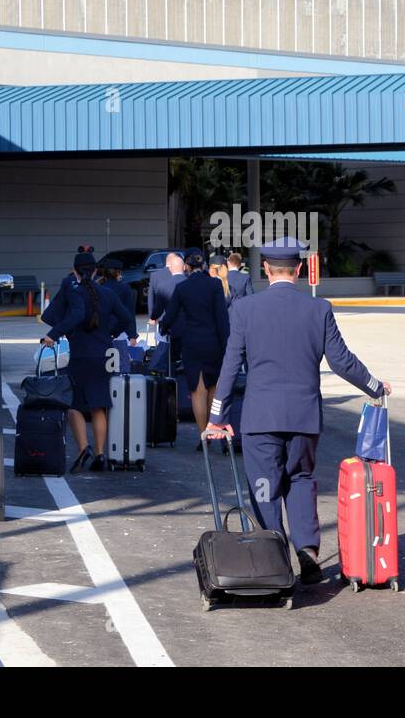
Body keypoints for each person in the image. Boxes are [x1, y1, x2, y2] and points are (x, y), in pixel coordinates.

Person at [205, 237, 391, 585]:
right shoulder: (319, 309)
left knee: (264, 486)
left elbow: (230, 366)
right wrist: (374, 385)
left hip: (260, 417)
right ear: (300, 269)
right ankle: (307, 549)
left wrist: (217, 417)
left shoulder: (245, 309)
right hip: (304, 417)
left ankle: (273, 560)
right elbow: (341, 362)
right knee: (301, 480)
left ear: (265, 269)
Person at [41, 252, 135, 473]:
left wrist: (53, 334)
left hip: (81, 353)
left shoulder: (74, 292)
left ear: (75, 271)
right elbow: (127, 318)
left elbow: (70, 316)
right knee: (99, 405)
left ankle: (84, 448)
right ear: (95, 271)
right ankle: (101, 454)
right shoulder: (108, 294)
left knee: (74, 405)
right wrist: (110, 332)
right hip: (104, 354)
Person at [160, 250, 229, 439]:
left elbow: (170, 315)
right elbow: (222, 318)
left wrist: (164, 327)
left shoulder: (182, 287)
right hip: (213, 342)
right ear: (204, 265)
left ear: (186, 267)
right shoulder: (215, 285)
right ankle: (214, 430)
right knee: (213, 388)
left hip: (192, 342)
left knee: (198, 391)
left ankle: (203, 436)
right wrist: (227, 345)